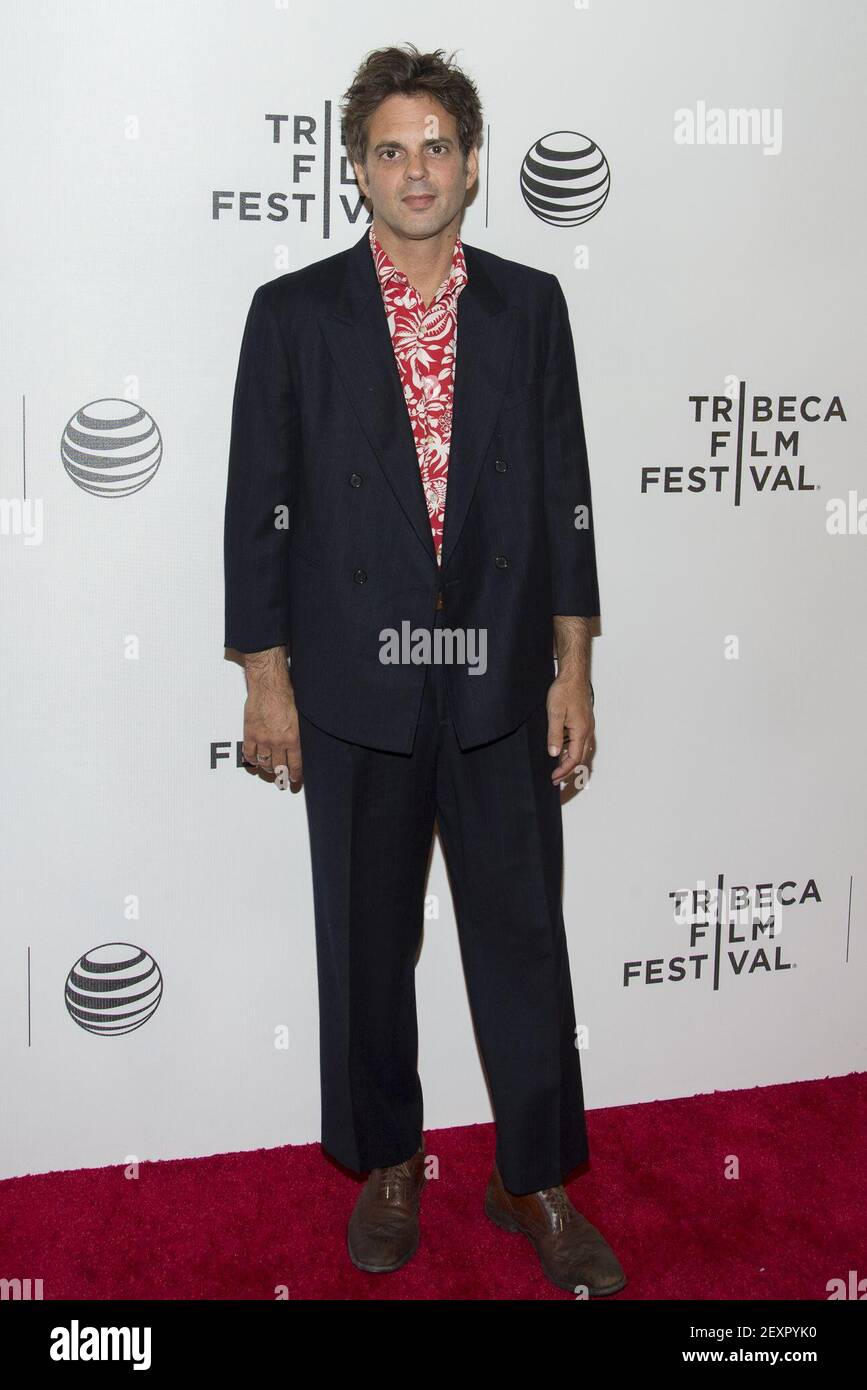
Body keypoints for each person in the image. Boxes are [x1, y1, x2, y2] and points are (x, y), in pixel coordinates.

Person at [223, 42, 625, 1297]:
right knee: (365, 937)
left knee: (524, 937)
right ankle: (389, 1161)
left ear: (470, 163)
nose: (415, 169)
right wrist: (267, 681)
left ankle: (534, 1176)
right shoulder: (292, 315)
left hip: (501, 679)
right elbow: (258, 507)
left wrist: (574, 667)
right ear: (357, 170)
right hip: (358, 683)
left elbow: (566, 496)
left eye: (435, 146)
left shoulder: (531, 306)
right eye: (389, 149)